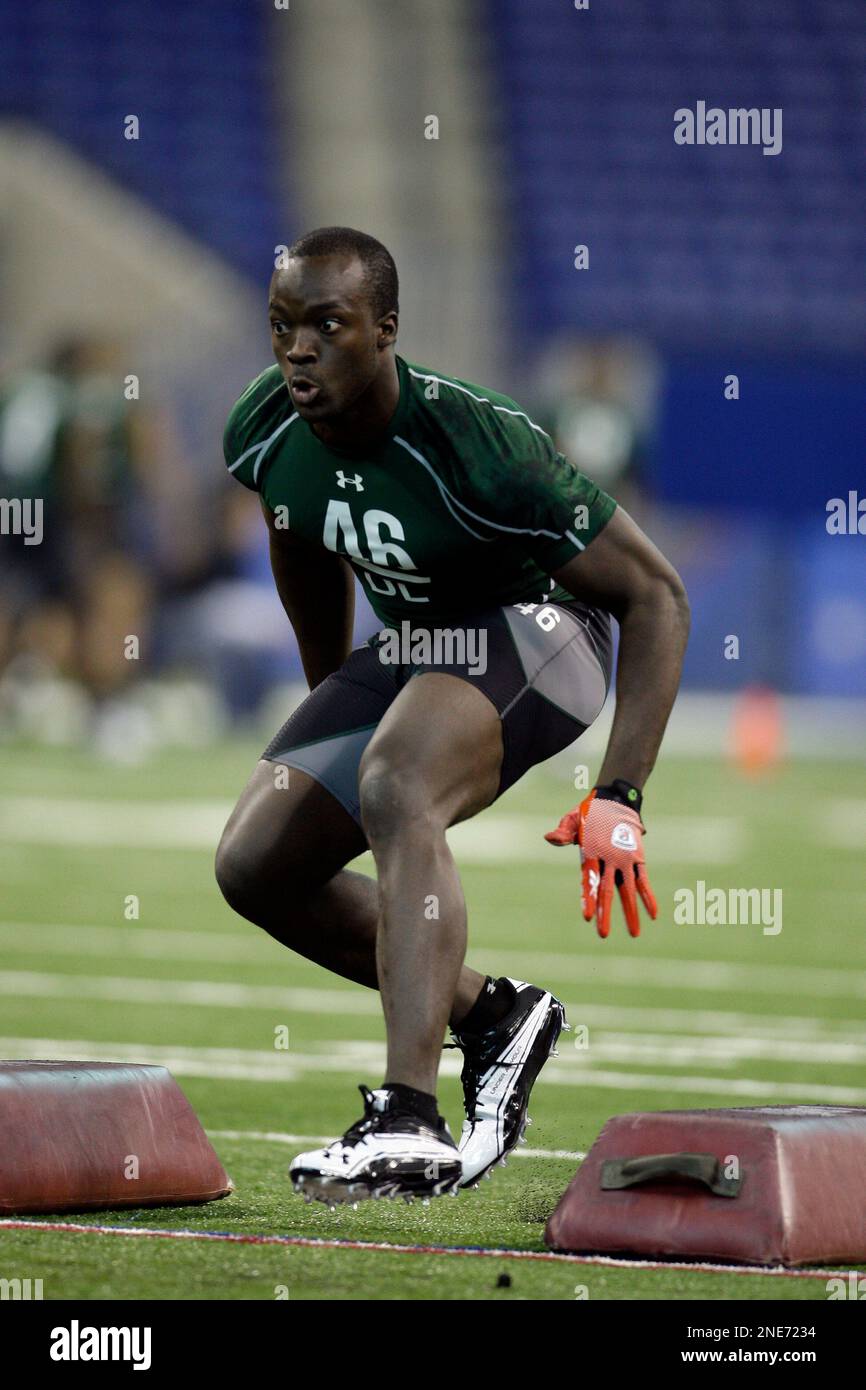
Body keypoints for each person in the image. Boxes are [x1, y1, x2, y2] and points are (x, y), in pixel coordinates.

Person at [215, 227, 690, 1205]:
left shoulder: (477, 440)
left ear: (385, 329)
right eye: (281, 326)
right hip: (418, 645)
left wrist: (619, 792)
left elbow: (653, 594)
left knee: (398, 782)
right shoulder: (264, 425)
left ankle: (407, 1118)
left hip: (543, 631)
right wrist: (327, 701)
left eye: (326, 324)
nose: (297, 349)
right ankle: (494, 1015)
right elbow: (299, 535)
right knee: (256, 864)